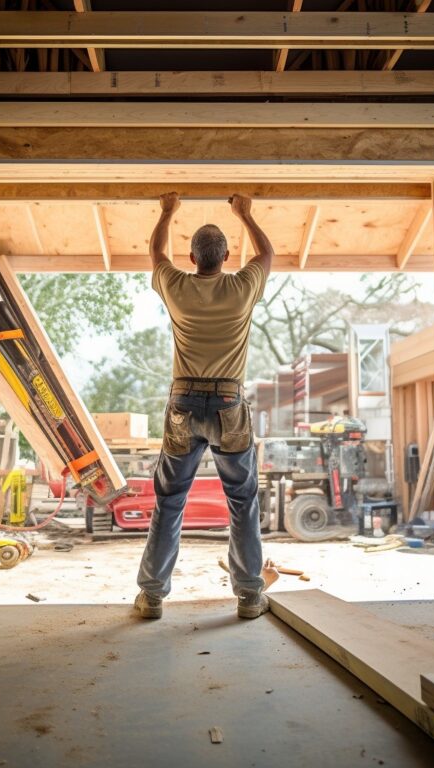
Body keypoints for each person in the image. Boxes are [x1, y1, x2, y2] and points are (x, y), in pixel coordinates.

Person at [134, 192, 274, 620]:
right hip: (229, 405)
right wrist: (245, 214)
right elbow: (267, 252)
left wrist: (166, 211)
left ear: (192, 258)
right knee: (242, 499)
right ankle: (250, 596)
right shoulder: (242, 286)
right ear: (226, 256)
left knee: (170, 501)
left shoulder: (175, 286)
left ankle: (152, 596)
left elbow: (155, 251)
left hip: (183, 404)